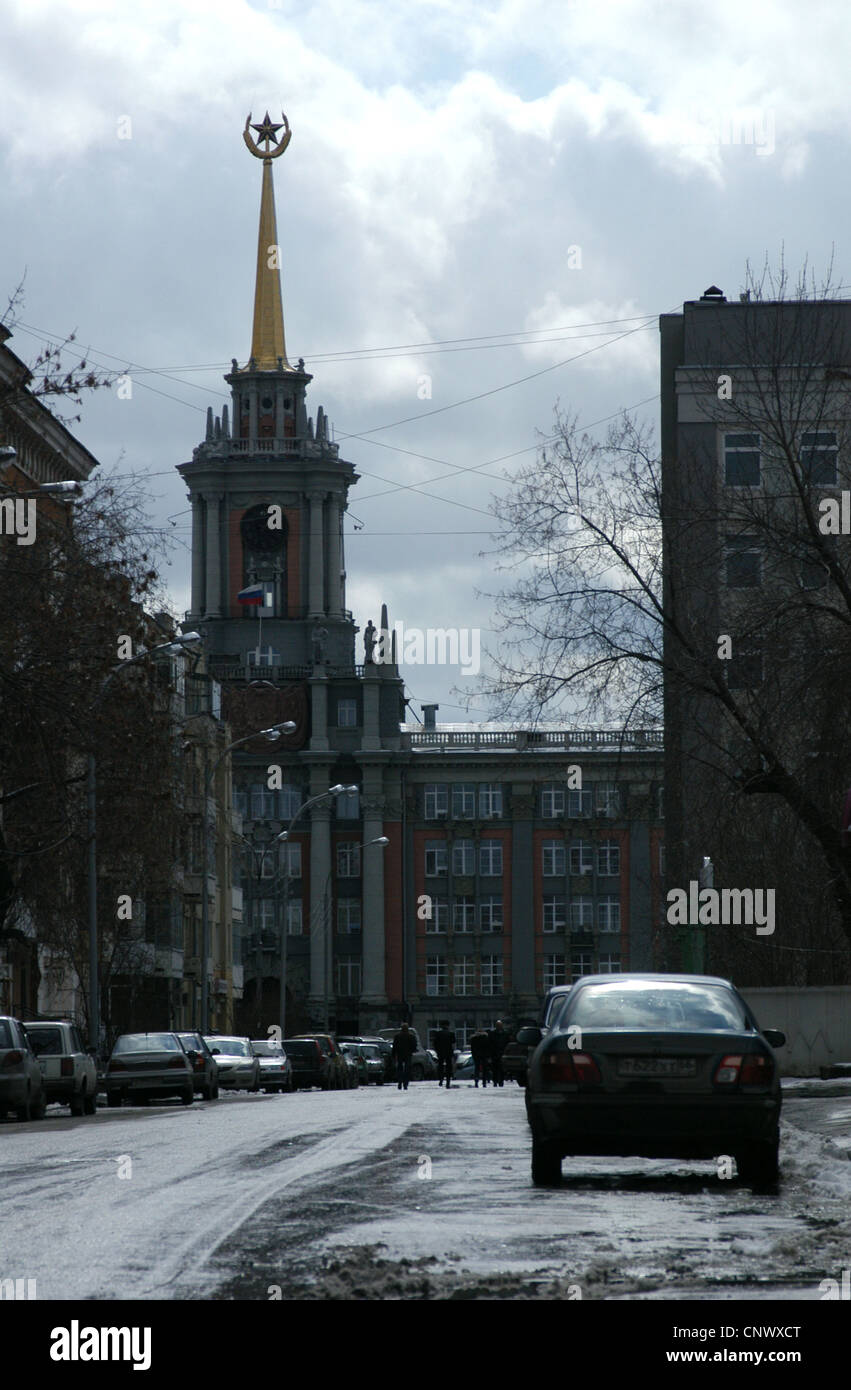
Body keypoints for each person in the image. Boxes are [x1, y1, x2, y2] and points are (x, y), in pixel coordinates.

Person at [392, 1023, 416, 1090]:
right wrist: (412, 1051)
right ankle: (405, 1083)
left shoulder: (397, 1036)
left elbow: (394, 1047)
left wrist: (393, 1055)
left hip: (400, 1055)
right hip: (408, 1055)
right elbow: (414, 1046)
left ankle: (400, 1082)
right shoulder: (411, 1036)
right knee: (407, 1070)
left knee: (400, 1069)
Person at [433, 1020, 456, 1088]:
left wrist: (437, 1051)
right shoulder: (451, 1034)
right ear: (448, 1026)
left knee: (440, 1066)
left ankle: (441, 1079)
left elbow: (435, 1044)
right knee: (449, 1066)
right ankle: (448, 1081)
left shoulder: (438, 1034)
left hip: (440, 1052)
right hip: (448, 1052)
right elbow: (453, 1043)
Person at [489, 1019, 509, 1087]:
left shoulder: (505, 1034)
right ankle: (495, 1081)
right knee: (495, 1069)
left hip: (502, 1053)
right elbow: (490, 1044)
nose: (499, 1027)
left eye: (500, 1025)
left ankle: (501, 1081)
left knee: (501, 1069)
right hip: (494, 1054)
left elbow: (507, 1043)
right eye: (498, 1025)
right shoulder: (492, 1034)